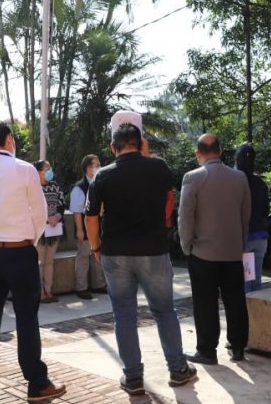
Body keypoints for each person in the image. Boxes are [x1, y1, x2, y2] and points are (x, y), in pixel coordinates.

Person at [85, 122, 197, 396]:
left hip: (115, 253)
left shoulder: (103, 176)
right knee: (164, 310)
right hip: (153, 251)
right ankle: (178, 369)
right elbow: (168, 197)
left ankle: (133, 377)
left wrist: (96, 248)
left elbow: (90, 218)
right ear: (141, 143)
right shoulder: (158, 168)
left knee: (124, 314)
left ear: (113, 148)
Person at [0, 121, 66, 402]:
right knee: (26, 318)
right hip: (19, 251)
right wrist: (28, 242)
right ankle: (36, 382)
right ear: (10, 139)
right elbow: (39, 214)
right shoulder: (24, 169)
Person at [179, 134, 252, 364]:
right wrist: (239, 243)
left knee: (205, 303)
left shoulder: (192, 178)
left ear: (198, 154)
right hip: (232, 251)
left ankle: (207, 351)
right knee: (235, 300)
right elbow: (245, 216)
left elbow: (186, 218)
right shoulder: (240, 177)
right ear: (220, 150)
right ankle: (238, 347)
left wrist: (186, 245)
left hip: (203, 253)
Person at [69, 154, 106, 299]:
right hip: (84, 227)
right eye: (97, 165)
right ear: (88, 168)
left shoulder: (100, 183)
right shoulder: (79, 187)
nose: (99, 167)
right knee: (83, 257)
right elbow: (77, 211)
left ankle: (99, 284)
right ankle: (81, 287)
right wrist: (79, 229)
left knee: (97, 256)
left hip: (99, 226)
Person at [235, 143, 270, 292]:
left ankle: (247, 315)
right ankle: (258, 314)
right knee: (256, 282)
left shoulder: (235, 182)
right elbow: (266, 211)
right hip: (260, 238)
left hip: (244, 239)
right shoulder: (260, 183)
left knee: (245, 284)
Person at [33, 160, 65, 303]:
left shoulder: (55, 186)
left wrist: (57, 217)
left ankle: (49, 290)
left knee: (49, 262)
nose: (49, 171)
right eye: (46, 168)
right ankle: (40, 293)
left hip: (54, 229)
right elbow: (31, 209)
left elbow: (62, 204)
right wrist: (46, 219)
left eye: (49, 168)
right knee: (39, 262)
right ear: (38, 172)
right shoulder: (33, 187)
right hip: (39, 231)